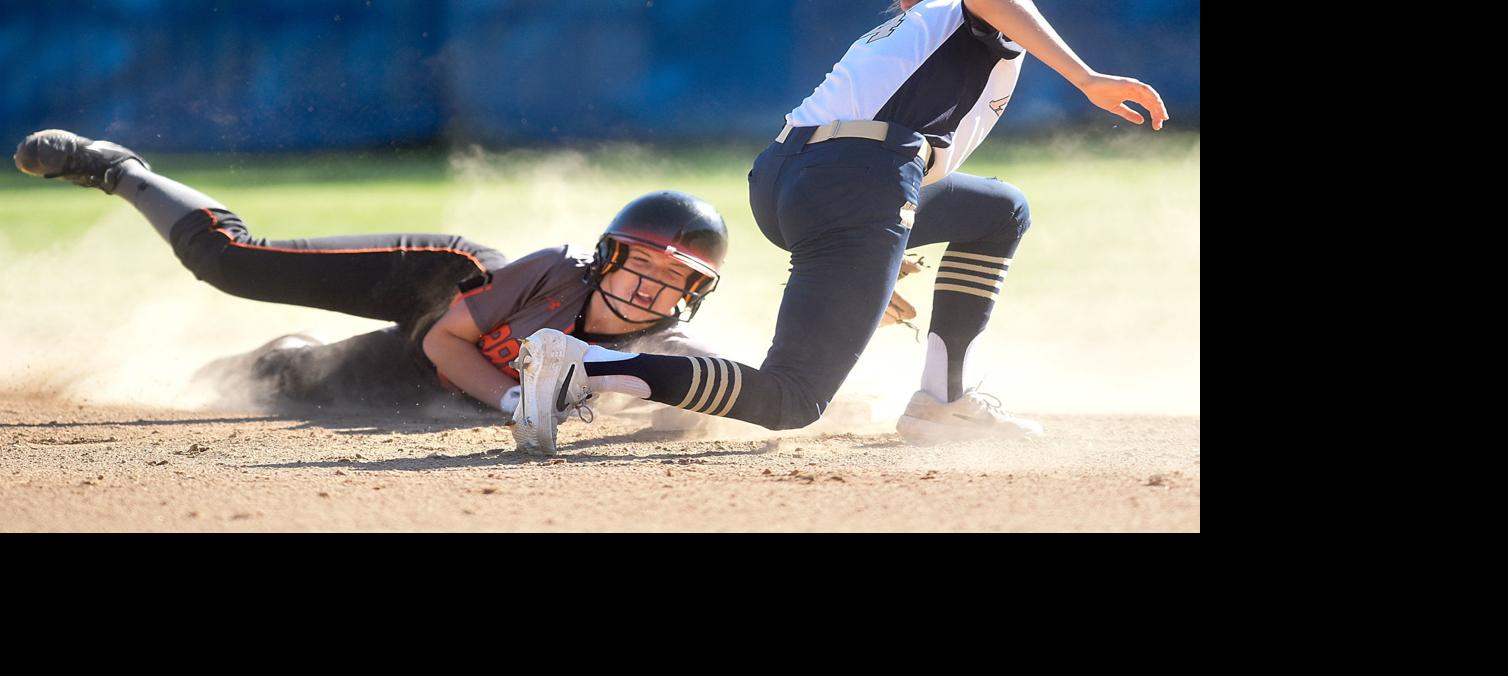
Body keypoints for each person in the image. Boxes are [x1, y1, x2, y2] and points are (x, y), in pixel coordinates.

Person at [509, 0, 1167, 455]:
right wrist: (1087, 78)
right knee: (792, 399)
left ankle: (944, 400)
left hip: (789, 177)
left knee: (997, 210)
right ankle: (584, 365)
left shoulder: (914, 28)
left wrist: (882, 252)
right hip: (858, 179)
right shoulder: (960, 16)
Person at [11, 129, 728, 428]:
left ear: (693, 296)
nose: (648, 287)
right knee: (230, 262)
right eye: (639, 261)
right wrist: (517, 400)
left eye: (674, 277)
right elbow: (446, 342)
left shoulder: (660, 347)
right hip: (442, 291)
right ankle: (118, 168)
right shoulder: (552, 272)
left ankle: (285, 354)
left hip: (432, 377)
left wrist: (679, 402)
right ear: (607, 256)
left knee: (281, 386)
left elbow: (705, 388)